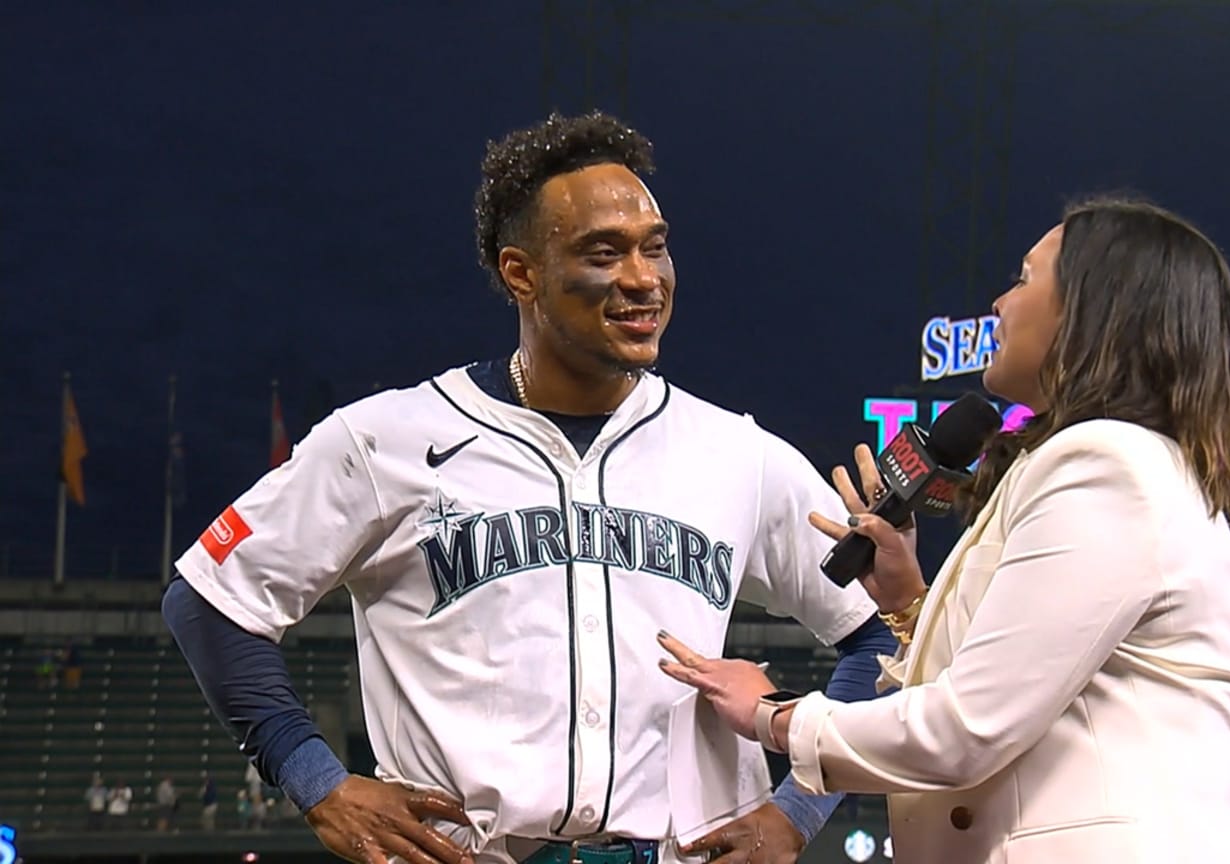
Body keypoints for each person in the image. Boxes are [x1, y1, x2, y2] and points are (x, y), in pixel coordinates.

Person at [162, 110, 894, 864]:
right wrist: (317, 781)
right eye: (604, 252)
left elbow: (884, 635)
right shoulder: (385, 440)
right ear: (522, 273)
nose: (644, 279)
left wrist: (797, 811)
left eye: (655, 246)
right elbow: (210, 600)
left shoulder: (740, 454)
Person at [658, 197, 1230, 862]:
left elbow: (969, 730)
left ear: (1094, 312)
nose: (1000, 304)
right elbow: (1030, 685)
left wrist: (774, 715)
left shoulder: (1108, 463)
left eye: (1025, 279)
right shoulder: (1119, 463)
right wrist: (908, 604)